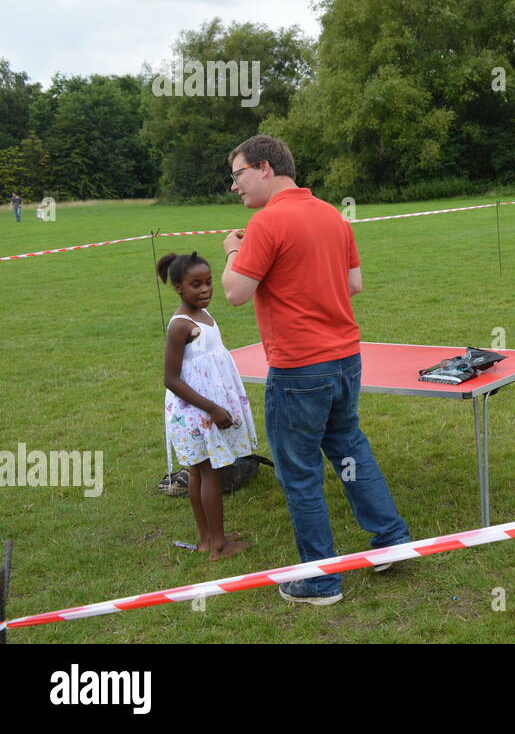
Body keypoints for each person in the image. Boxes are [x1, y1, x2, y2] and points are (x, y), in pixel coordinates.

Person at [223, 135, 410, 606]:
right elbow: (354, 283)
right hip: (346, 360)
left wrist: (231, 250)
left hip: (299, 370)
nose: (234, 187)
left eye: (238, 174)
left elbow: (235, 292)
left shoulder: (265, 223)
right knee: (350, 448)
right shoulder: (331, 214)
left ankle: (320, 580)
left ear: (264, 168)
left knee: (299, 472)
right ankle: (391, 540)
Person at [158, 250, 255, 561]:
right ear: (178, 288)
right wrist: (213, 408)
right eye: (195, 285)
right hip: (196, 414)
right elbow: (171, 379)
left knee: (201, 473)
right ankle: (218, 546)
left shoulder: (205, 317)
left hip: (204, 411)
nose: (205, 290)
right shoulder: (181, 326)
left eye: (209, 283)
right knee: (209, 473)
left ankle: (209, 538)